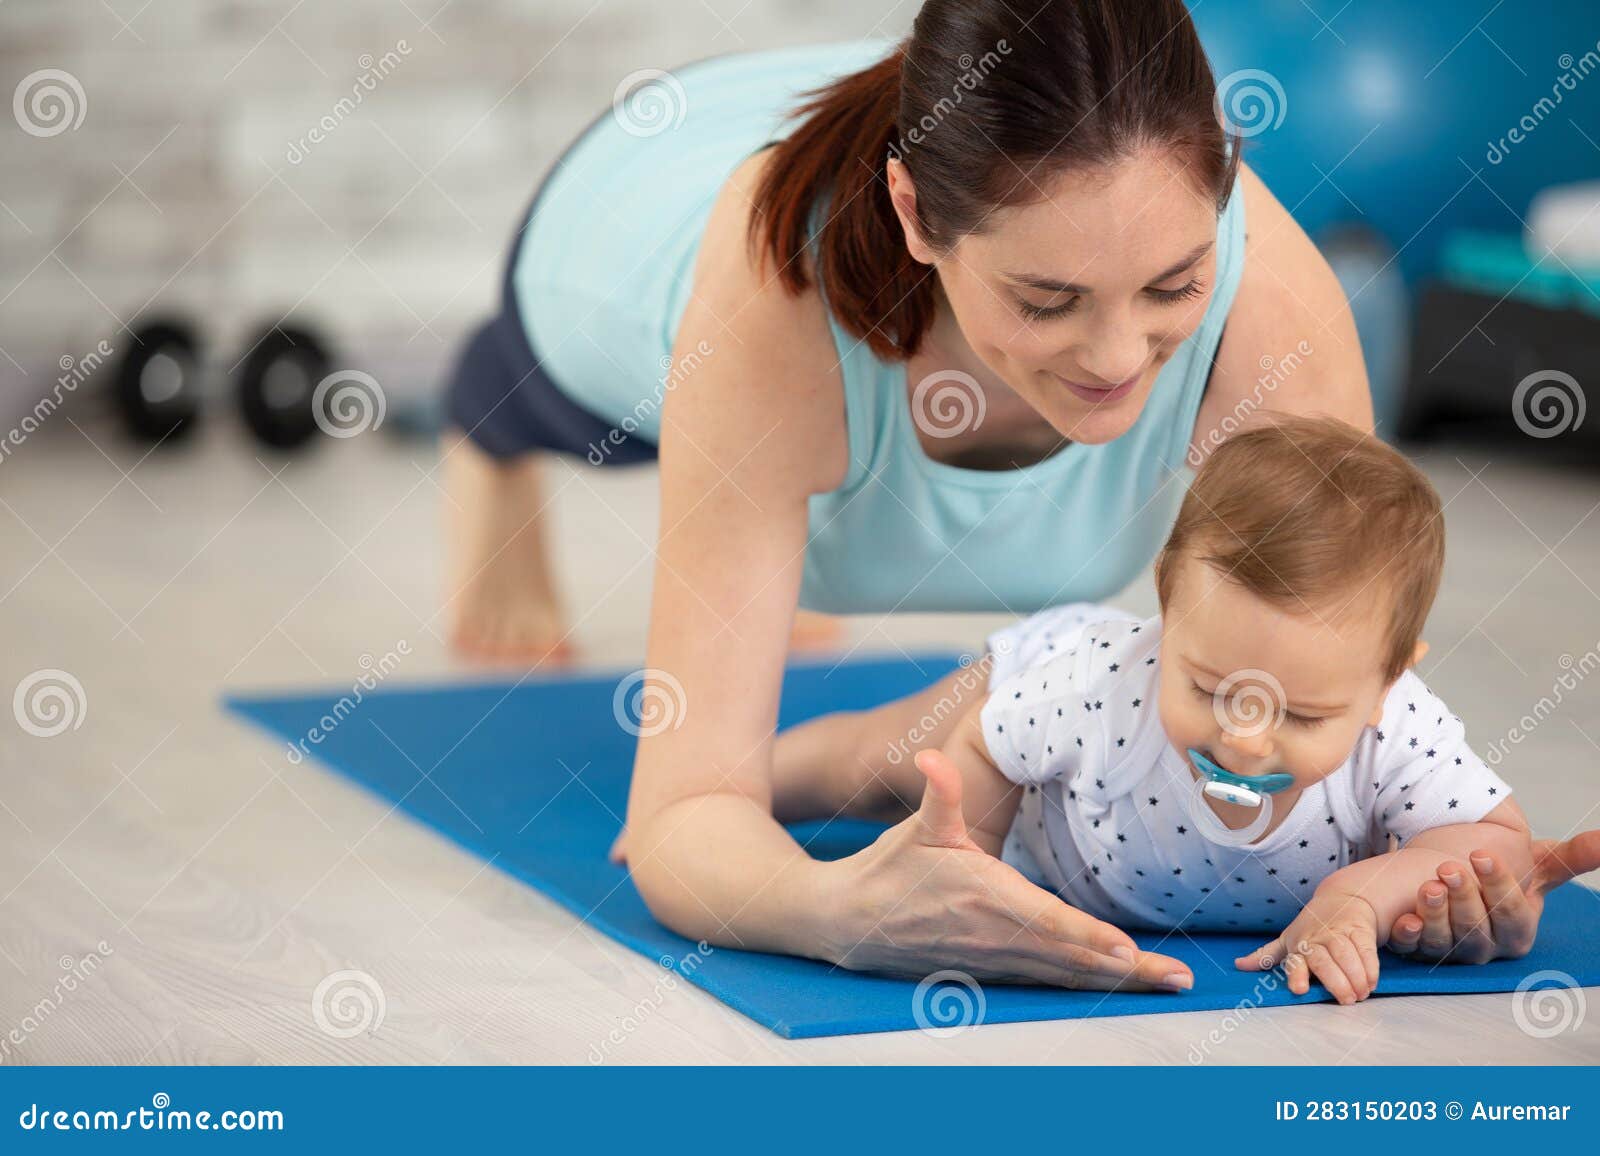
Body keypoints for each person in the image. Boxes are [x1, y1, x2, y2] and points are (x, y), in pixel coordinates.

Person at [445, 0, 1599, 987]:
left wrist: (1438, 873)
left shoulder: (1277, 320)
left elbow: (1344, 677)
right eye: (1048, 300)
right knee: (553, 403)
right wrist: (845, 912)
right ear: (913, 221)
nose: (1115, 355)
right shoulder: (770, 293)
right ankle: (481, 430)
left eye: (1171, 284)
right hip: (639, 200)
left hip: (936, 139)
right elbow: (679, 818)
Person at [782, 415, 1535, 1002]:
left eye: (1301, 717)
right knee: (874, 768)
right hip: (1045, 738)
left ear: (1387, 682)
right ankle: (722, 776)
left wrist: (1364, 897)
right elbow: (983, 743)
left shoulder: (1399, 725)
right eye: (1208, 690)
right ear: (1167, 611)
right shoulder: (1097, 685)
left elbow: (1495, 843)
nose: (1243, 744)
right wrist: (970, 865)